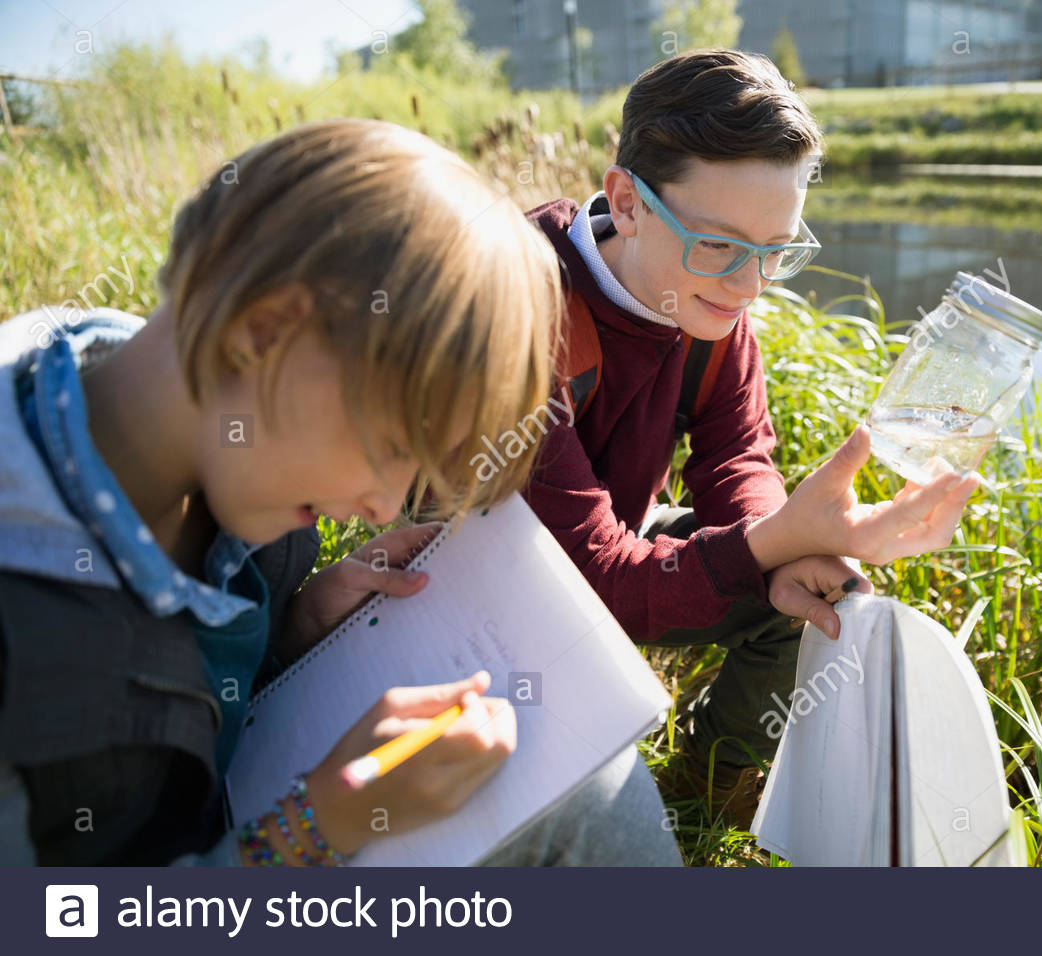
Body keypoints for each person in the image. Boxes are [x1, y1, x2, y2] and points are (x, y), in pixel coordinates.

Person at [0, 118, 681, 867]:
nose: (383, 506)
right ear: (261, 335)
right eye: (391, 448)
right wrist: (315, 830)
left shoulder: (204, 435)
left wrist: (292, 633)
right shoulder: (27, 650)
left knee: (589, 784)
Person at [523, 50, 979, 827]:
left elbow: (737, 457)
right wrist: (769, 542)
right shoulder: (519, 311)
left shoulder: (714, 302)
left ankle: (707, 791)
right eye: (722, 245)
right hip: (494, 593)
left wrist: (791, 543)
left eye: (779, 251)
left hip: (613, 547)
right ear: (626, 202)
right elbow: (596, 585)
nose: (750, 286)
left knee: (810, 595)